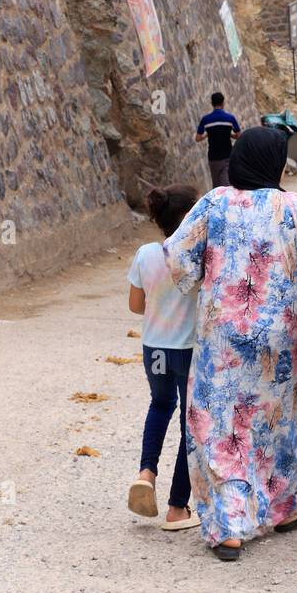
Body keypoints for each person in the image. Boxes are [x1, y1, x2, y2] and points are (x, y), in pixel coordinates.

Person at [169, 127, 297, 560]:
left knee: (220, 426)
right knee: (278, 424)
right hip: (284, 343)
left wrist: (209, 278)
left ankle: (229, 524)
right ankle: (285, 507)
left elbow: (178, 259)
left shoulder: (214, 202)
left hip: (223, 342)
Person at [127, 184, 202, 530]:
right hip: (186, 351)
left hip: (153, 348)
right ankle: (177, 507)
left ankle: (146, 473)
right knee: (191, 423)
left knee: (160, 405)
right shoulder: (197, 257)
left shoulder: (145, 254)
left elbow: (135, 306)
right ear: (188, 217)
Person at [195, 92, 240, 188]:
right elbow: (238, 135)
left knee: (216, 185)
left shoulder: (206, 119)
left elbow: (198, 138)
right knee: (227, 185)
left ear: (212, 103)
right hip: (227, 156)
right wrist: (229, 134)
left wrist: (207, 134)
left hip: (213, 157)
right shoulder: (230, 118)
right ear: (223, 103)